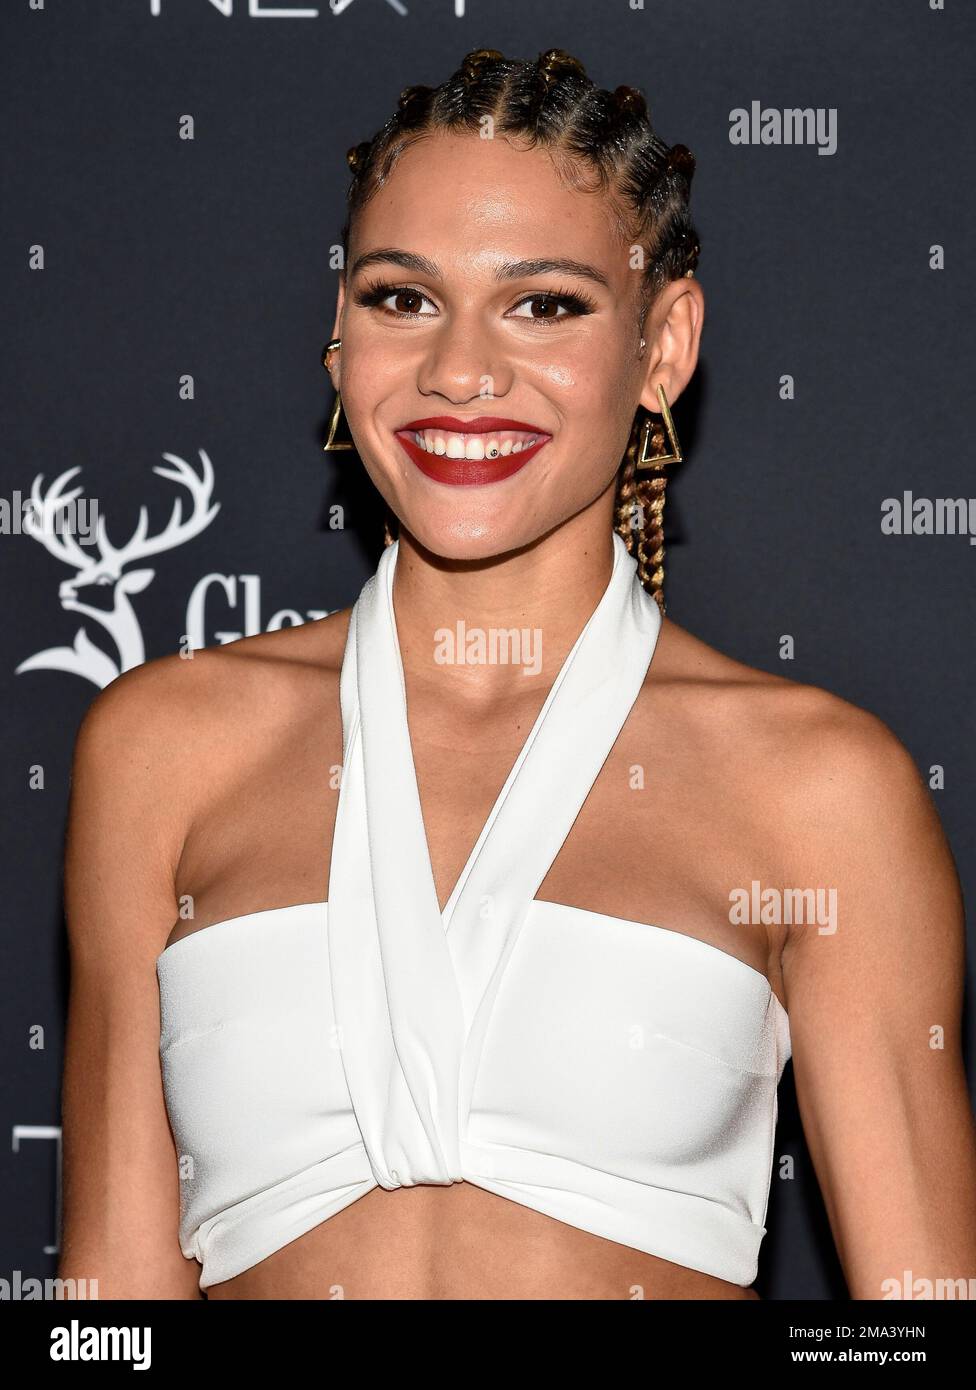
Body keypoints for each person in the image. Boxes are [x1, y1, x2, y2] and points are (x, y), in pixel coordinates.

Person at [57, 47, 976, 1301]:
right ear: (337, 340)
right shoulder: (164, 745)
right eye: (402, 298)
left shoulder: (818, 788)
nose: (460, 372)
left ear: (665, 346)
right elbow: (104, 1313)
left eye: (544, 303)